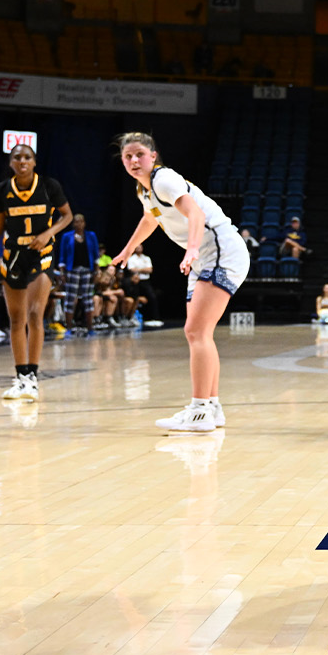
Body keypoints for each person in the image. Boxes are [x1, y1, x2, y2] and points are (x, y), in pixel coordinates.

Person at [109, 132, 249, 432]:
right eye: (127, 157)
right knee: (201, 334)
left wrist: (193, 248)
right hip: (206, 255)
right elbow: (151, 219)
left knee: (195, 331)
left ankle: (199, 411)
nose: (134, 161)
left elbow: (195, 214)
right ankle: (211, 408)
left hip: (219, 249)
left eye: (139, 155)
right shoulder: (144, 190)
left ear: (153, 156)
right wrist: (127, 249)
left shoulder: (164, 179)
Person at [0, 143, 73, 403]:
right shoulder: (2, 190)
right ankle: (21, 379)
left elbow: (67, 216)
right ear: (11, 163)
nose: (22, 161)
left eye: (27, 157)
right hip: (13, 255)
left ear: (34, 161)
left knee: (36, 314)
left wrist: (49, 232)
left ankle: (34, 379)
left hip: (43, 253)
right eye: (17, 157)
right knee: (17, 320)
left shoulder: (49, 186)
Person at [56, 214, 100, 334]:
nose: (78, 224)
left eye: (81, 221)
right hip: (72, 271)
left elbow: (96, 255)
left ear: (84, 223)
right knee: (70, 299)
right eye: (76, 222)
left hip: (87, 271)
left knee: (88, 299)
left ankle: (90, 328)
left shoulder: (91, 236)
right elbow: (62, 256)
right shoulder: (67, 237)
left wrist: (97, 272)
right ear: (73, 224)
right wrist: (62, 273)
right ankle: (69, 328)